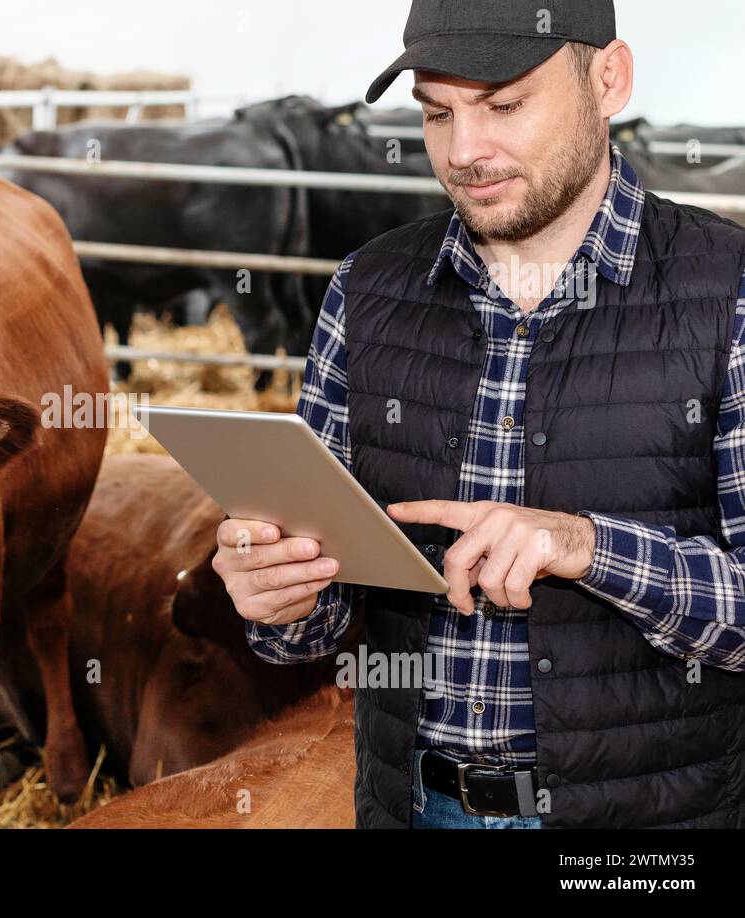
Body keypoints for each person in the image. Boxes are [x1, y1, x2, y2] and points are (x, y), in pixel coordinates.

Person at [213, 0, 745, 828]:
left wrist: (584, 545)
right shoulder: (367, 288)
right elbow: (314, 624)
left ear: (610, 80)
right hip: (414, 804)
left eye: (504, 104)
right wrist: (277, 596)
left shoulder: (729, 291)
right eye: (437, 113)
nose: (464, 152)